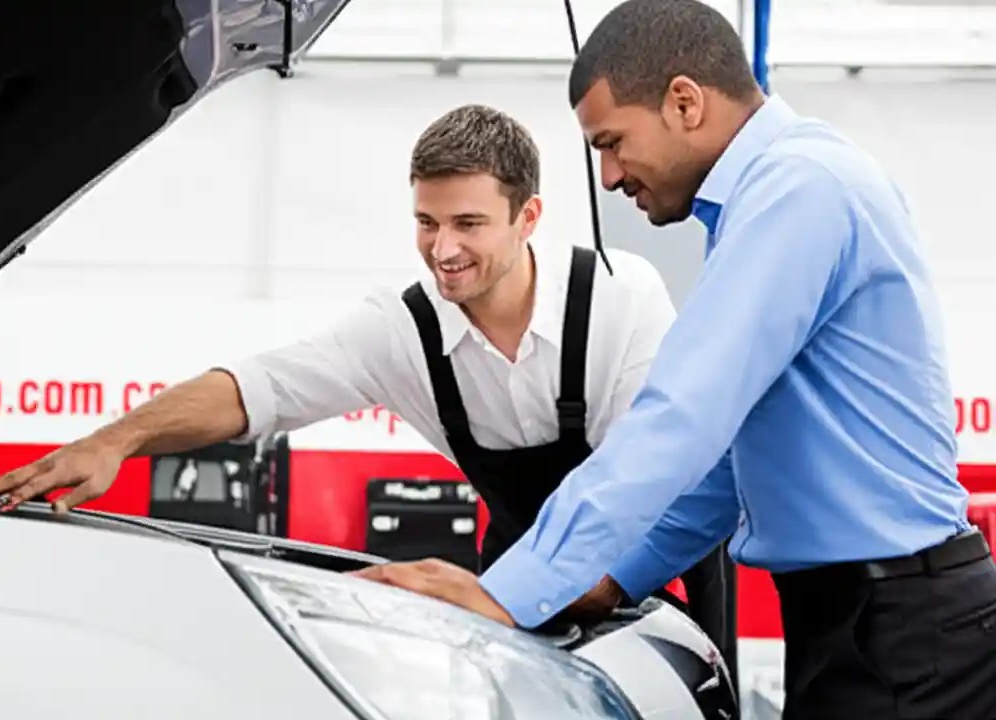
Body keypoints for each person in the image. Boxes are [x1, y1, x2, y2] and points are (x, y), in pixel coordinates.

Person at [352, 0, 996, 717]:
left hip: (904, 631)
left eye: (613, 141)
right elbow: (721, 467)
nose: (607, 176)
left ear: (685, 102)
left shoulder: (801, 189)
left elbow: (684, 414)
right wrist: (609, 578)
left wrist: (509, 590)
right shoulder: (772, 200)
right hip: (863, 621)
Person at [0, 103, 738, 665]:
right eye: (426, 223)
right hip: (516, 578)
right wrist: (117, 440)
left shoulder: (619, 298)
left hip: (650, 581)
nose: (442, 250)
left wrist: (507, 596)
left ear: (528, 216)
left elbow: (643, 500)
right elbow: (256, 389)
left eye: (468, 224)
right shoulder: (403, 329)